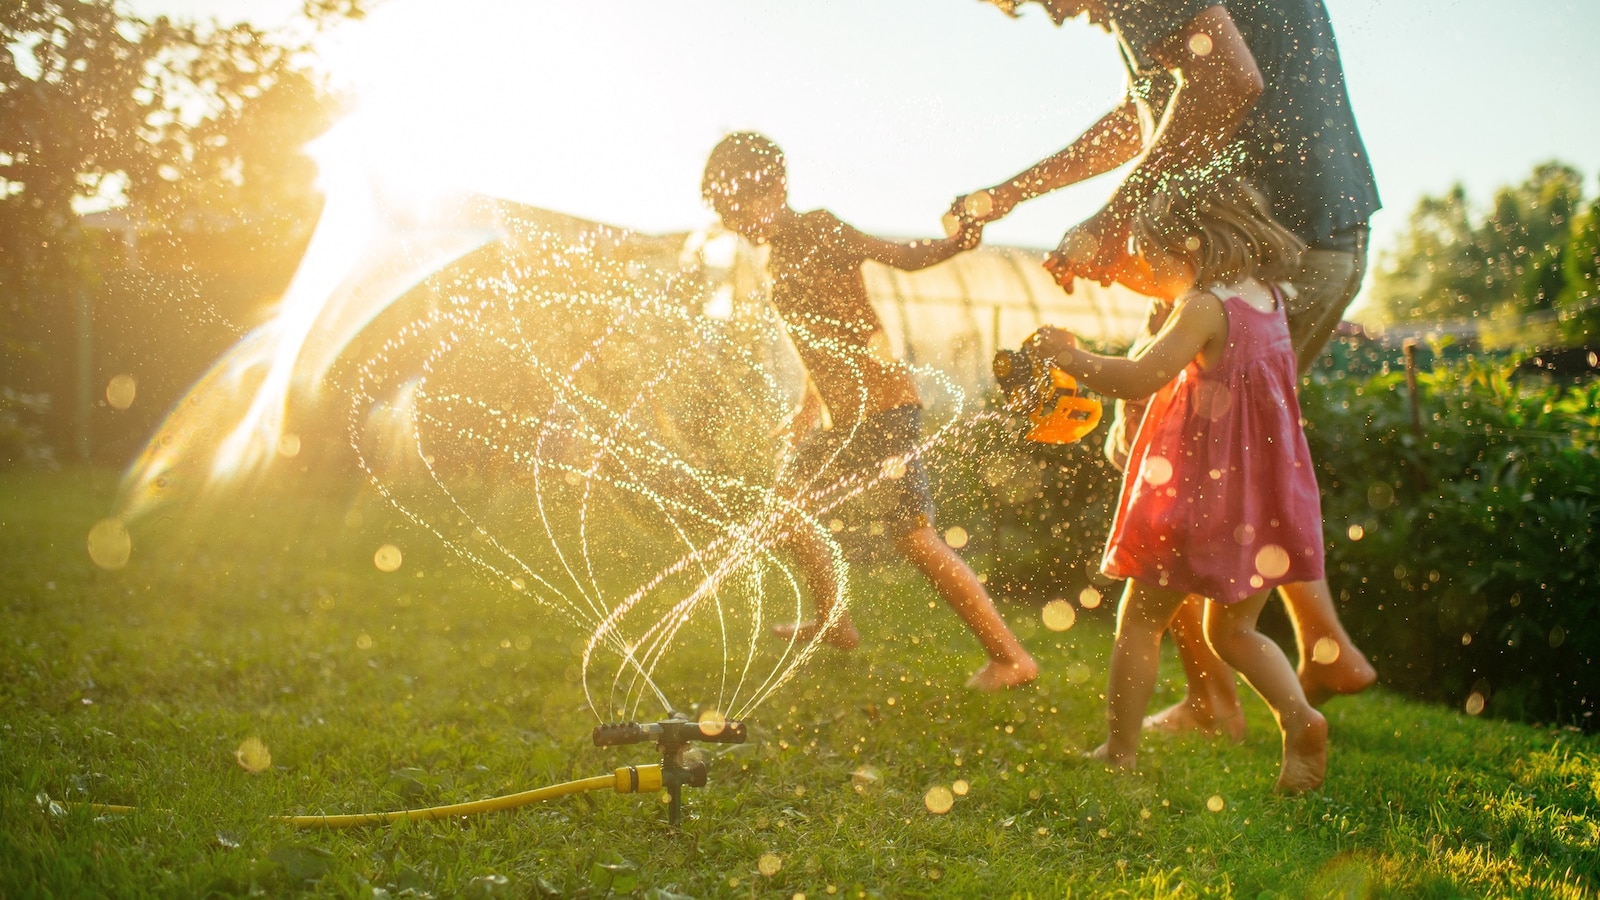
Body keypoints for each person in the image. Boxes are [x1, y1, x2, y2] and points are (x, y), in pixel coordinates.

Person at [967, 0, 1378, 729]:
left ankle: (1216, 694)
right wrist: (1015, 193)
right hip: (1313, 238)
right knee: (1235, 455)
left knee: (1165, 464)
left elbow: (1227, 82)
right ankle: (1318, 645)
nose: (1056, 17)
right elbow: (1152, 114)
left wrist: (1111, 219)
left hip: (1266, 239)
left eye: (1038, 0)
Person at [701, 132, 1039, 690]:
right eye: (725, 211)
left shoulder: (818, 228)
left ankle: (1010, 658)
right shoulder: (774, 255)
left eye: (740, 206)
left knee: (913, 537)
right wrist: (810, 407)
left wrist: (958, 241)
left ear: (775, 188)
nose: (736, 221)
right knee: (786, 509)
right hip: (843, 421)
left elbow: (903, 259)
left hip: (883, 411)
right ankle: (834, 621)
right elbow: (823, 337)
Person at [1027, 176, 1328, 792]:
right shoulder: (1269, 299)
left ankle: (1120, 751)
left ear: (1186, 249)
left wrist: (1070, 356)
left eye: (1150, 257)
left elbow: (1141, 377)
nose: (1148, 271)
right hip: (1263, 504)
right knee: (1235, 631)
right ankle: (1300, 719)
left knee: (1138, 622)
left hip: (1199, 499)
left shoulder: (1203, 307)